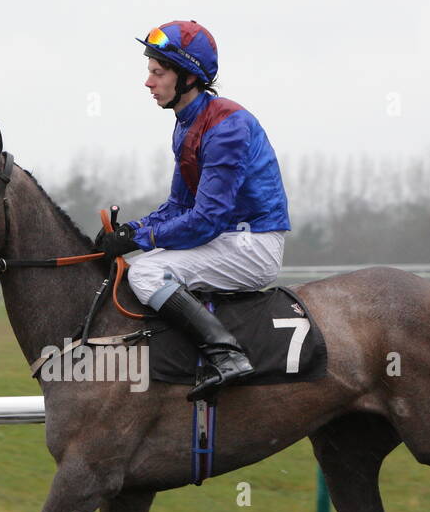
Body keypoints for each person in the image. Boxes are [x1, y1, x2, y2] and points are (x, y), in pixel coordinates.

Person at [96, 20, 291, 401]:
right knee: (143, 263)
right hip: (228, 239)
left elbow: (207, 220)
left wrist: (140, 238)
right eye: (149, 71)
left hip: (253, 244)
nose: (148, 82)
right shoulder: (187, 124)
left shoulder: (226, 126)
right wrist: (130, 231)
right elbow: (179, 206)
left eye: (158, 73)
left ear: (187, 78)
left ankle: (228, 355)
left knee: (147, 272)